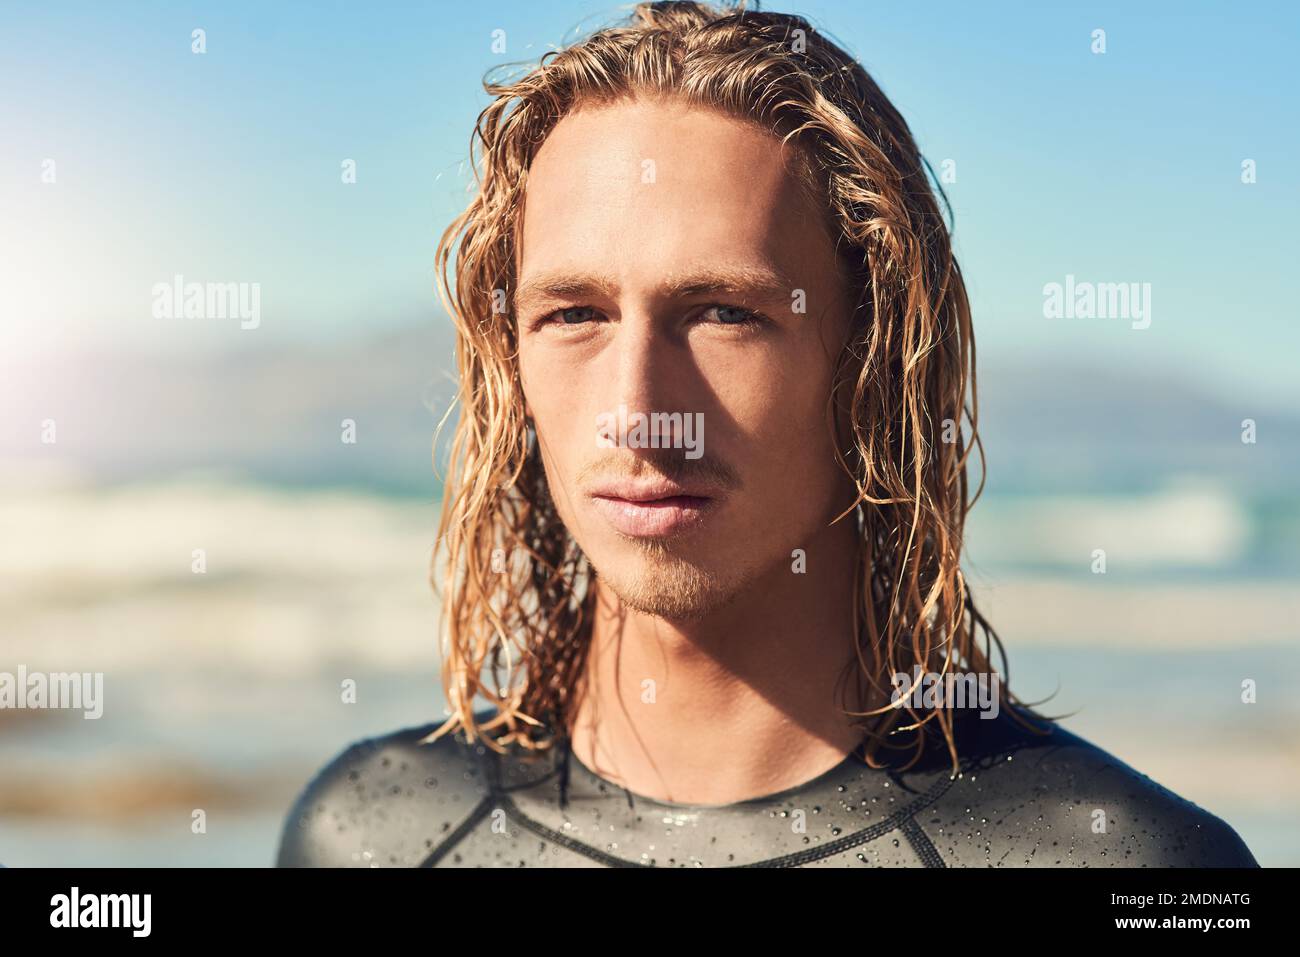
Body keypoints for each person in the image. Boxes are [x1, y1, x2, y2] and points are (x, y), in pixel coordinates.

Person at [276, 0, 1257, 867]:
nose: (635, 406)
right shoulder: (373, 834)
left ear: (870, 360)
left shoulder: (1119, 860)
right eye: (573, 313)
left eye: (723, 313)